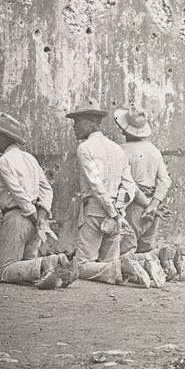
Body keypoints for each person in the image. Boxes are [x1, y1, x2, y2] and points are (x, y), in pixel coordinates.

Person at [0, 113, 74, 288]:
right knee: (26, 267)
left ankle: (50, 263)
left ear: (4, 138)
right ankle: (49, 266)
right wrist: (42, 215)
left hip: (17, 218)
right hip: (35, 220)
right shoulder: (30, 158)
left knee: (4, 270)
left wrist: (34, 217)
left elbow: (18, 194)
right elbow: (47, 189)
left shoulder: (4, 161)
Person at [67, 106, 149, 287]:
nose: (74, 127)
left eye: (78, 122)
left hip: (96, 210)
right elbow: (129, 186)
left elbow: (96, 185)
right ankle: (139, 263)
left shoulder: (85, 148)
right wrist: (118, 209)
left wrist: (112, 212)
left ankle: (122, 268)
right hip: (117, 212)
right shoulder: (117, 149)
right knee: (108, 264)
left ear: (92, 123)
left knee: (81, 265)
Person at [116, 107, 185, 282]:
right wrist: (154, 205)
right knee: (146, 249)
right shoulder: (154, 150)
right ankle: (165, 265)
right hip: (152, 208)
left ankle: (142, 273)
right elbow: (165, 181)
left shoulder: (120, 150)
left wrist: (146, 203)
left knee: (126, 251)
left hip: (132, 205)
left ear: (123, 128)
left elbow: (129, 185)